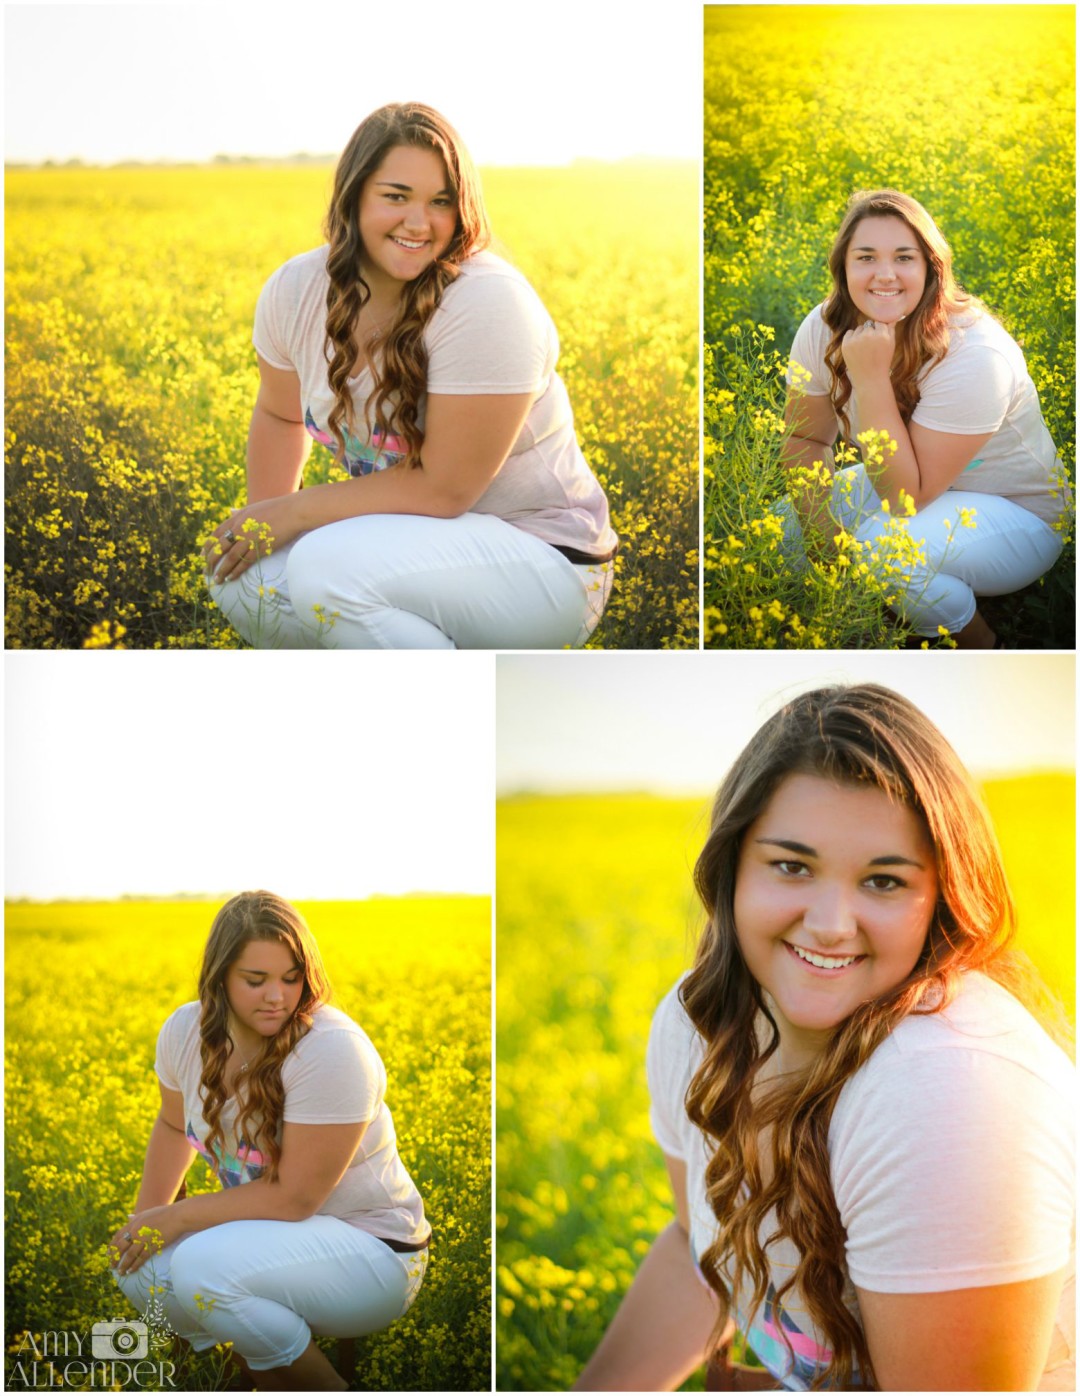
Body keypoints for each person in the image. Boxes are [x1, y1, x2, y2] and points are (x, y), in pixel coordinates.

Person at [576, 684, 1074, 1391]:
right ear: (731, 870)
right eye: (791, 867)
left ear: (940, 898)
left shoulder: (947, 1089)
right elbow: (698, 1246)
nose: (833, 923)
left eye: (883, 881)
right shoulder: (696, 1026)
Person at [204, 101, 617, 650]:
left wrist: (292, 514)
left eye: (440, 202)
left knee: (327, 569)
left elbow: (445, 490)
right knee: (242, 583)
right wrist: (266, 533)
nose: (419, 223)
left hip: (543, 562)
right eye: (396, 196)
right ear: (353, 197)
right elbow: (280, 414)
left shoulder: (488, 302)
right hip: (405, 549)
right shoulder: (295, 291)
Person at [109, 892, 430, 1392]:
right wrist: (144, 1225)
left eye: (291, 978)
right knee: (138, 1272)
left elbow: (295, 1198)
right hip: (261, 1236)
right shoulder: (182, 1033)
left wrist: (174, 1218)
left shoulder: (331, 1050)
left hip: (373, 1252)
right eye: (255, 981)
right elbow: (175, 1127)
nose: (277, 996)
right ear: (219, 979)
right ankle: (262, 1374)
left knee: (202, 1269)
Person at [781, 189, 1069, 648]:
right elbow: (805, 438)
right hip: (905, 481)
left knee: (885, 550)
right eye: (866, 257)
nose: (885, 274)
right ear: (843, 267)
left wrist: (871, 378)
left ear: (931, 267)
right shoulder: (821, 328)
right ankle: (888, 602)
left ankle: (982, 644)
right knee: (782, 537)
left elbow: (903, 501)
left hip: (1017, 513)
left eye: (904, 257)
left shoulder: (977, 355)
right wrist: (822, 543)